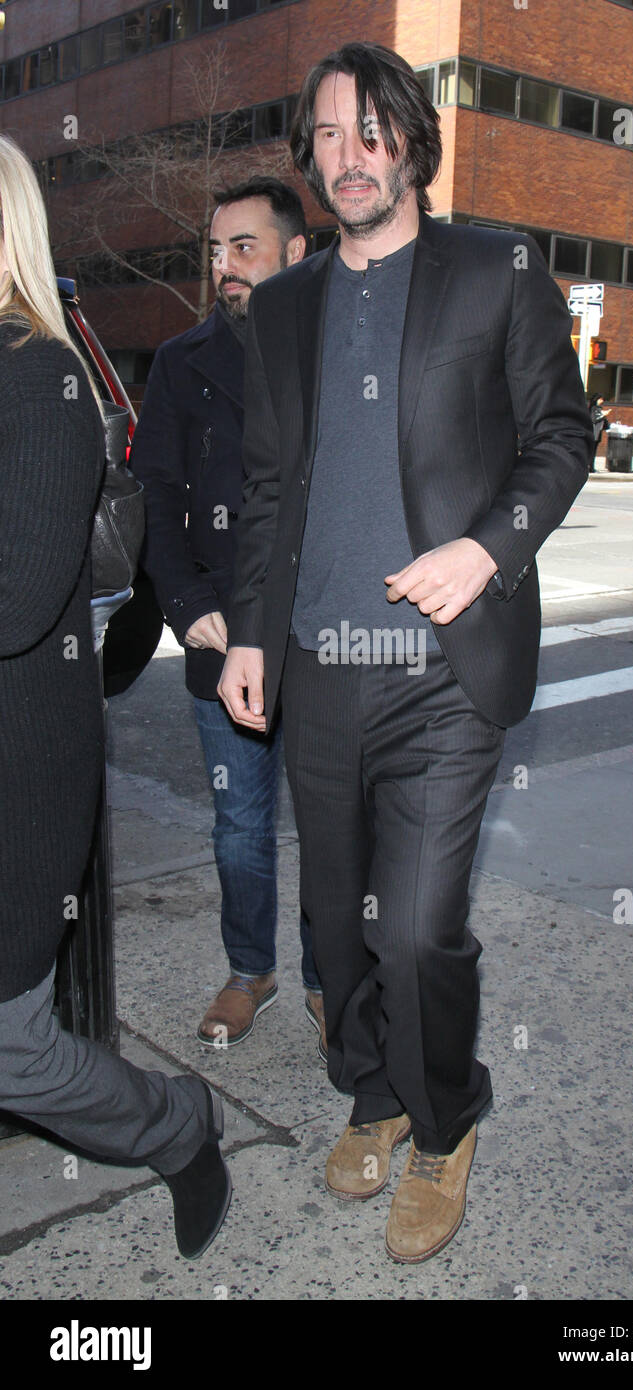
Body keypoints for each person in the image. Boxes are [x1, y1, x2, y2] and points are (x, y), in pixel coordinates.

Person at [219, 42, 593, 1263]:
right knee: (336, 925)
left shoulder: (495, 271)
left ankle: (442, 1123)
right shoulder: (282, 305)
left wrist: (486, 550)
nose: (347, 155)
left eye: (368, 129)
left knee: (419, 926)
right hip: (319, 668)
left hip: (442, 671)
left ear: (410, 139)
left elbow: (560, 438)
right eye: (325, 137)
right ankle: (370, 1091)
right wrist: (252, 637)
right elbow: (269, 488)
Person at [0, 133, 230, 1260]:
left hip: (17, 776)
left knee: (10, 1041)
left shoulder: (35, 374)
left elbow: (17, 599)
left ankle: (174, 1121)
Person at [130, 179, 326, 1056]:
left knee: (332, 826)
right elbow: (155, 496)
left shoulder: (333, 350)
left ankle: (330, 979)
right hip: (222, 635)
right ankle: (253, 970)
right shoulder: (181, 361)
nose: (222, 266)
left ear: (294, 253)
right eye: (214, 250)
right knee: (239, 823)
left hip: (326, 636)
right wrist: (188, 607)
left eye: (242, 246)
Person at [588, 392, 611, 470]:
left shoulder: (598, 408)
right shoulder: (594, 408)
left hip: (598, 433)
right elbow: (594, 419)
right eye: (600, 399)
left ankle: (591, 466)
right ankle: (590, 467)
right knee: (592, 451)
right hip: (594, 433)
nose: (602, 401)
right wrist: (604, 415)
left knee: (594, 451)